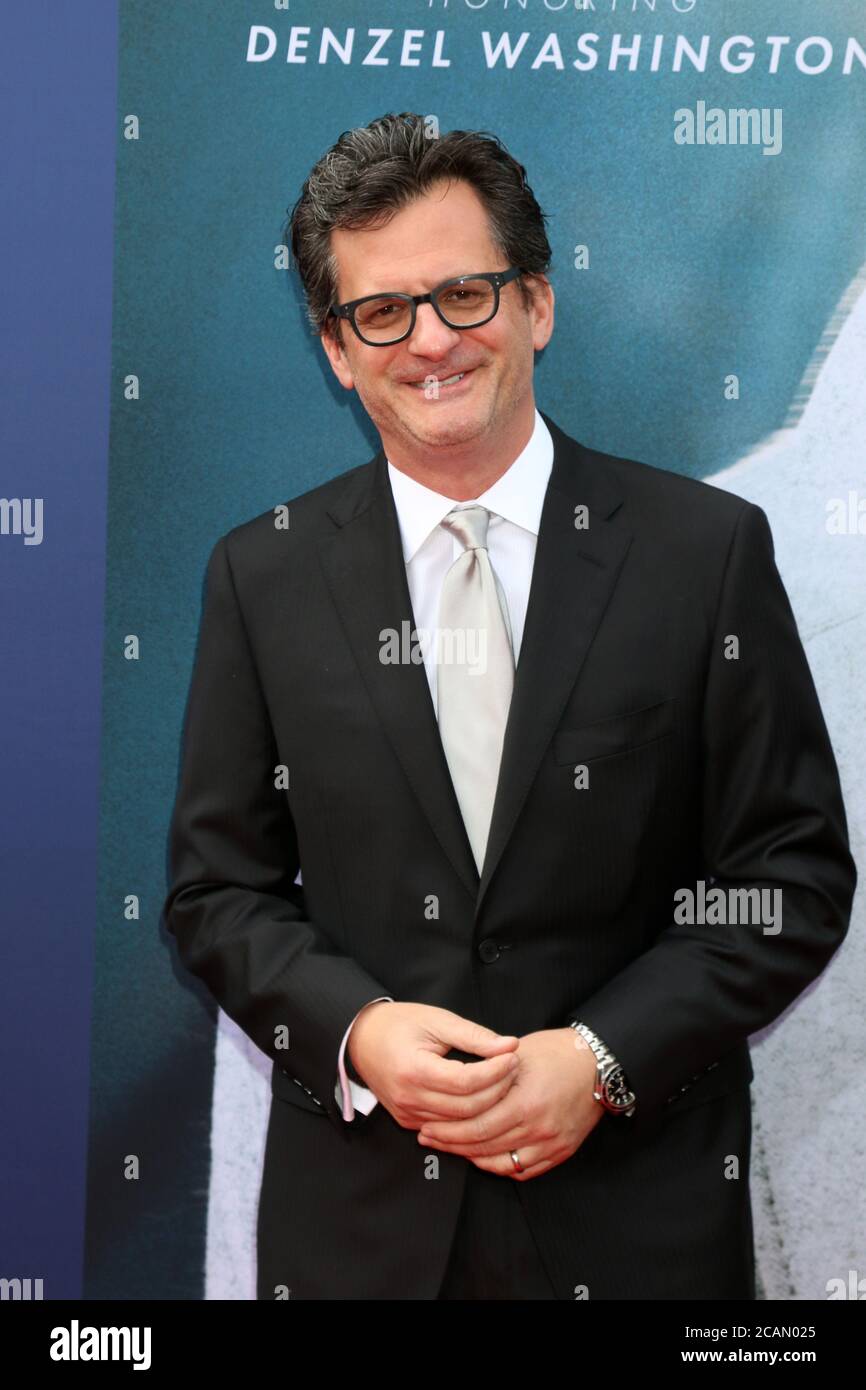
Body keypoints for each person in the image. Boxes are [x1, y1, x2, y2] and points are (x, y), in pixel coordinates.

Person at [162, 112, 856, 1300]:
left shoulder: (704, 554)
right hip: (360, 1236)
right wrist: (361, 1033)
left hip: (639, 1223)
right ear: (336, 347)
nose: (428, 341)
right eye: (381, 311)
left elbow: (788, 876)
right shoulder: (261, 576)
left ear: (535, 304)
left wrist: (600, 1060)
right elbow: (216, 893)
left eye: (465, 295)